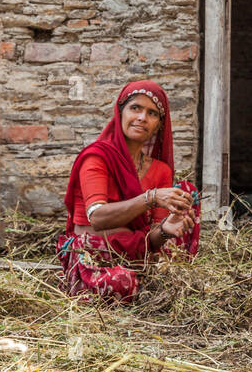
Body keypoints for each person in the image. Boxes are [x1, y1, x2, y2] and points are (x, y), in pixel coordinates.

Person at [58, 80, 198, 302]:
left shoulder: (160, 171)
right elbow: (97, 218)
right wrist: (150, 198)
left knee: (186, 194)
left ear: (159, 125)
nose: (142, 118)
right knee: (122, 282)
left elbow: (149, 242)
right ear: (120, 112)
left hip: (136, 257)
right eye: (135, 108)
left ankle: (162, 279)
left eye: (152, 113)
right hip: (94, 255)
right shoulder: (98, 157)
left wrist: (165, 230)